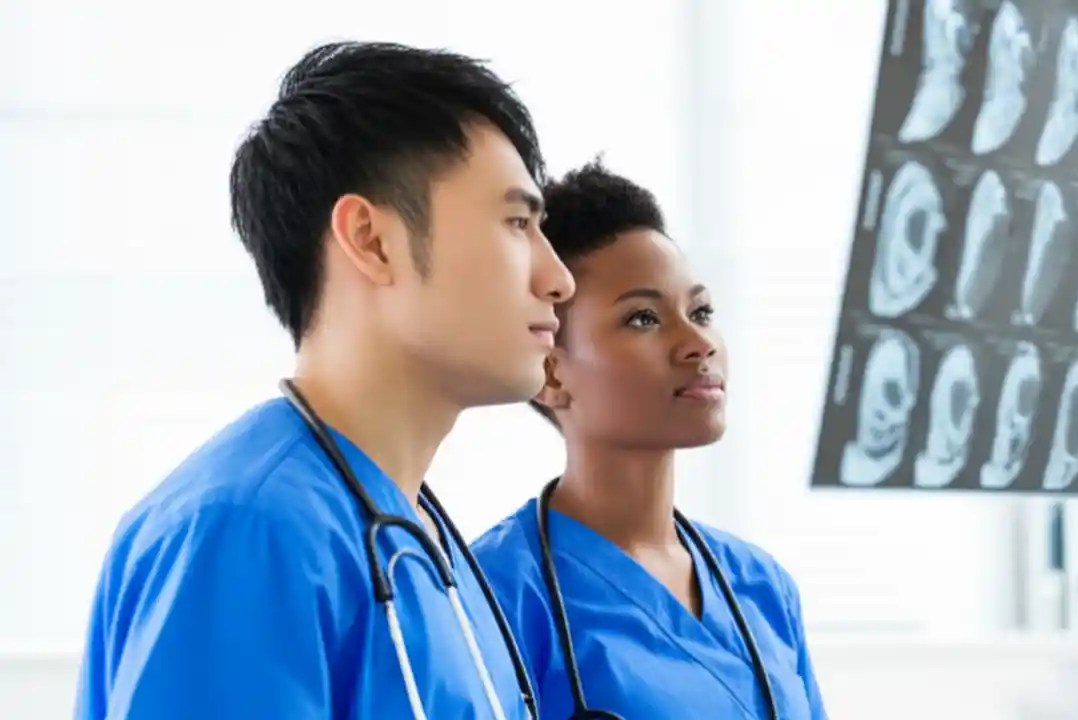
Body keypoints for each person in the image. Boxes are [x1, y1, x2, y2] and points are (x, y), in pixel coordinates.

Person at [74, 41, 574, 720]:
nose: (558, 279)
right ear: (370, 240)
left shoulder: (424, 539)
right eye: (517, 223)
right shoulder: (246, 532)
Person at [471, 161, 828, 719]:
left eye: (701, 311)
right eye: (643, 318)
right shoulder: (495, 593)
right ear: (552, 373)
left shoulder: (761, 586)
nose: (697, 343)